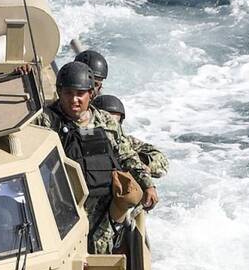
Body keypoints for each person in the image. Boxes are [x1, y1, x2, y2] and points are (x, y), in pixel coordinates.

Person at [37, 61, 156, 254]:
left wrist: (148, 184)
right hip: (65, 207)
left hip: (104, 206)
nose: (74, 100)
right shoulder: (46, 121)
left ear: (90, 94)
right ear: (60, 93)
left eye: (80, 94)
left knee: (100, 254)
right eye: (68, 93)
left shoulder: (105, 121)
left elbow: (126, 154)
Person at [95, 93, 169, 180]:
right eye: (107, 122)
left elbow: (161, 160)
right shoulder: (84, 142)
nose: (111, 127)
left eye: (115, 123)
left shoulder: (127, 142)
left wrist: (140, 162)